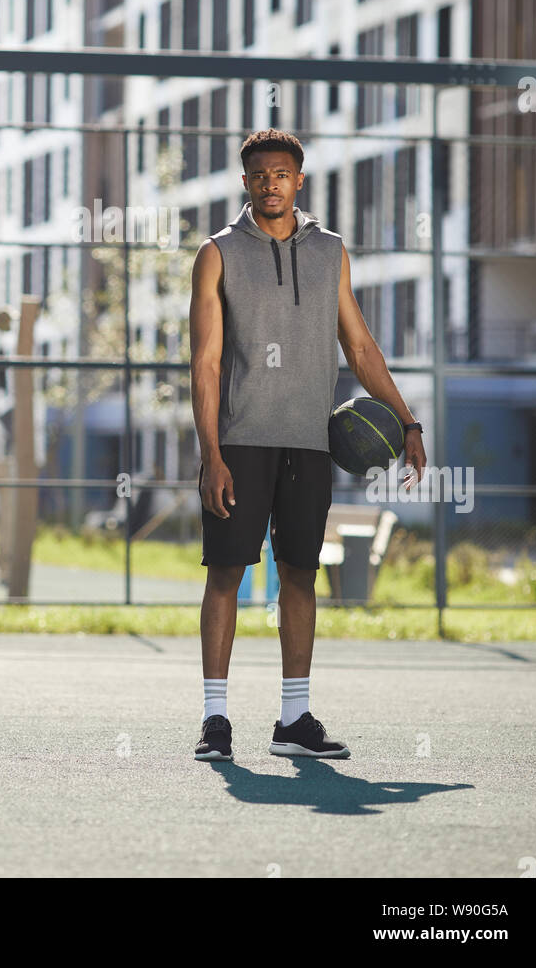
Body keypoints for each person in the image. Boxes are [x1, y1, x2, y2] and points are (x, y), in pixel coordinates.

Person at [189, 129, 426, 761]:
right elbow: (205, 364)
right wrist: (211, 454)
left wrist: (407, 422)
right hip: (240, 444)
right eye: (260, 175)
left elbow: (361, 347)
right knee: (226, 576)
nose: (271, 183)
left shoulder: (331, 252)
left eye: (282, 174)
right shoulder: (216, 254)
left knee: (300, 575)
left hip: (309, 446)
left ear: (299, 181)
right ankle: (215, 720)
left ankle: (294, 720)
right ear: (246, 183)